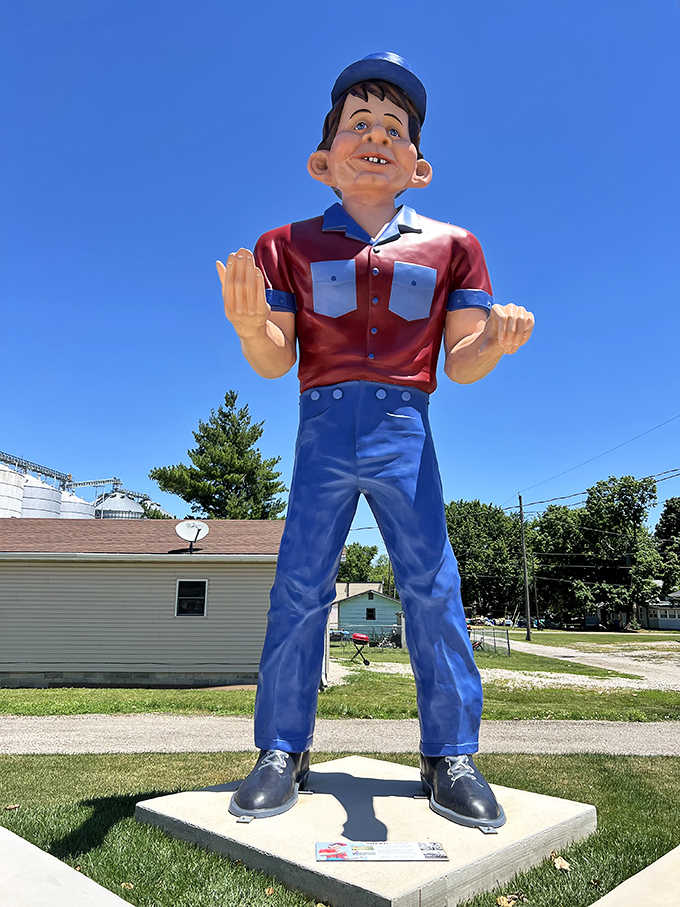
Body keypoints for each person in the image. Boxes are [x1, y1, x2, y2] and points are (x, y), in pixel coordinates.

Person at [216, 52, 534, 828]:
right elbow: (276, 359)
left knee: (431, 584)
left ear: (418, 166)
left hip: (404, 425)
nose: (377, 136)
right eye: (359, 123)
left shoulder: (454, 245)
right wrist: (252, 326)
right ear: (322, 160)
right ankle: (281, 748)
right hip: (321, 423)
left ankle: (451, 753)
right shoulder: (284, 243)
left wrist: (491, 342)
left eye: (394, 127)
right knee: (299, 584)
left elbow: (460, 364)